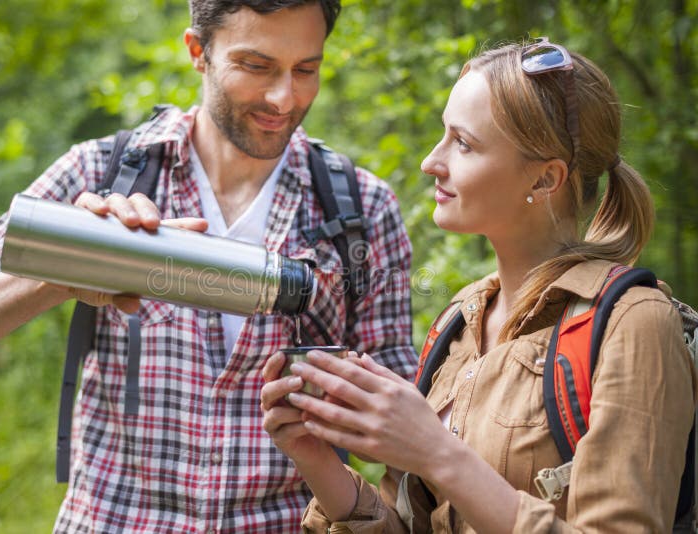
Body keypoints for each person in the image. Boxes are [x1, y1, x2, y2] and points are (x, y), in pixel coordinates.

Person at [0, 1, 417, 532]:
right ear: (198, 51)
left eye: (306, 69)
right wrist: (69, 268)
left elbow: (404, 427)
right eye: (256, 66)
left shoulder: (359, 209)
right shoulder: (102, 173)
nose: (284, 97)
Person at [261, 38, 698, 532]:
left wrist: (436, 450)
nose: (432, 161)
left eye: (463, 144)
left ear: (544, 180)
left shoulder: (633, 322)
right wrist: (319, 463)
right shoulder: (461, 320)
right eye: (443, 135)